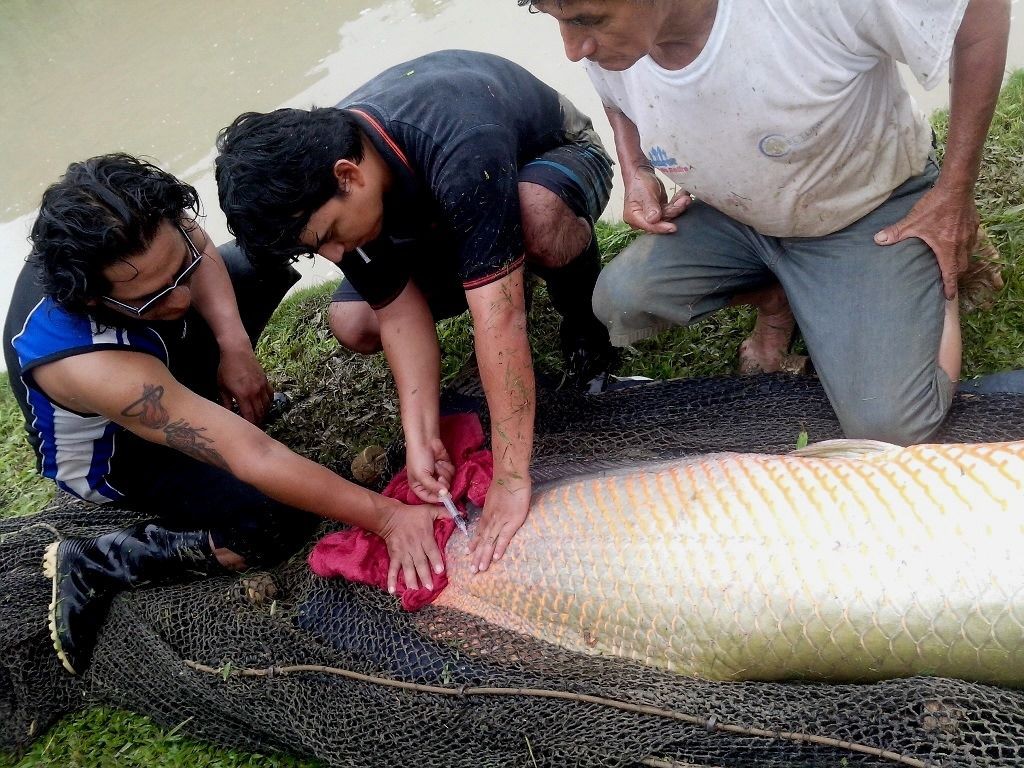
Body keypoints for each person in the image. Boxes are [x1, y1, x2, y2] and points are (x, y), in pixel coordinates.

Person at [3, 154, 446, 676]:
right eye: (158, 293)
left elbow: (198, 247)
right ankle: (103, 560)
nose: (185, 295)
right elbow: (250, 452)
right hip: (118, 451)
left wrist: (234, 345)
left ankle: (200, 384)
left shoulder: (142, 225)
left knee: (257, 257)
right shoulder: (94, 366)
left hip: (156, 357)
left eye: (181, 267)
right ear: (95, 297)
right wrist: (389, 518)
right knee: (268, 520)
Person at [523, 0, 1011, 444]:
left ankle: (939, 270)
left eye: (588, 21)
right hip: (733, 213)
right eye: (558, 21)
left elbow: (978, 13)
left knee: (893, 427)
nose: (572, 49)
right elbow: (615, 95)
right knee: (623, 301)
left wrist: (954, 195)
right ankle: (779, 298)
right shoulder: (608, 44)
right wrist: (636, 169)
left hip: (864, 207)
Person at [215, 49, 615, 574]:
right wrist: (420, 437)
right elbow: (399, 315)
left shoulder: (458, 142)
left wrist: (512, 480)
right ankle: (492, 265)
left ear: (348, 176)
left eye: (330, 236)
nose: (334, 256)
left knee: (536, 220)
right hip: (445, 210)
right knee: (354, 321)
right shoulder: (327, 178)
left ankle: (583, 329)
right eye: (316, 249)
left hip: (549, 160)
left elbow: (499, 323)